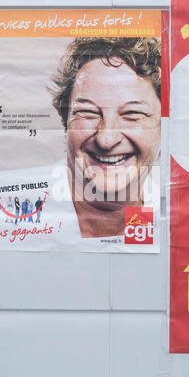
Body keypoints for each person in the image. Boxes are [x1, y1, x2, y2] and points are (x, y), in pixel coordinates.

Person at [49, 36, 162, 239]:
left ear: (163, 125)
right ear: (66, 121)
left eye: (132, 114)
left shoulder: (178, 217)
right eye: (88, 112)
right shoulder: (16, 205)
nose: (106, 140)